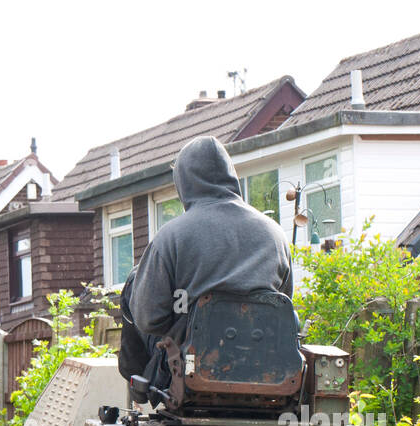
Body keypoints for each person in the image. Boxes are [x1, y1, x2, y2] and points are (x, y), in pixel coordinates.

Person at [119, 135, 293, 394]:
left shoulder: (171, 236)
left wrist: (183, 319)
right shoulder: (275, 234)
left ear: (183, 182)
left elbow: (148, 319)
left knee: (135, 282)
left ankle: (139, 388)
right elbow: (284, 306)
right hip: (263, 370)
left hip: (190, 373)